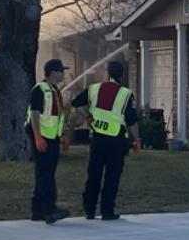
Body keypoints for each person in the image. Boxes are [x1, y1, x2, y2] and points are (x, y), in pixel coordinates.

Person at [80, 59, 140, 221]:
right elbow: (132, 121)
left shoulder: (94, 89)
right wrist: (138, 140)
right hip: (116, 141)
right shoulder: (126, 94)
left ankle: (89, 209)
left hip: (97, 139)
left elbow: (77, 103)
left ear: (107, 72)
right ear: (122, 74)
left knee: (94, 173)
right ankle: (107, 211)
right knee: (112, 176)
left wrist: (89, 117)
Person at [27, 59, 71, 223]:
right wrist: (38, 136)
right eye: (61, 71)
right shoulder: (40, 90)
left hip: (52, 137)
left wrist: (62, 135)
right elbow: (35, 114)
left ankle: (37, 210)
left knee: (45, 172)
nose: (63, 74)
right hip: (42, 137)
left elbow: (56, 117)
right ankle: (50, 210)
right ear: (53, 72)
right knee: (46, 174)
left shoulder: (54, 90)